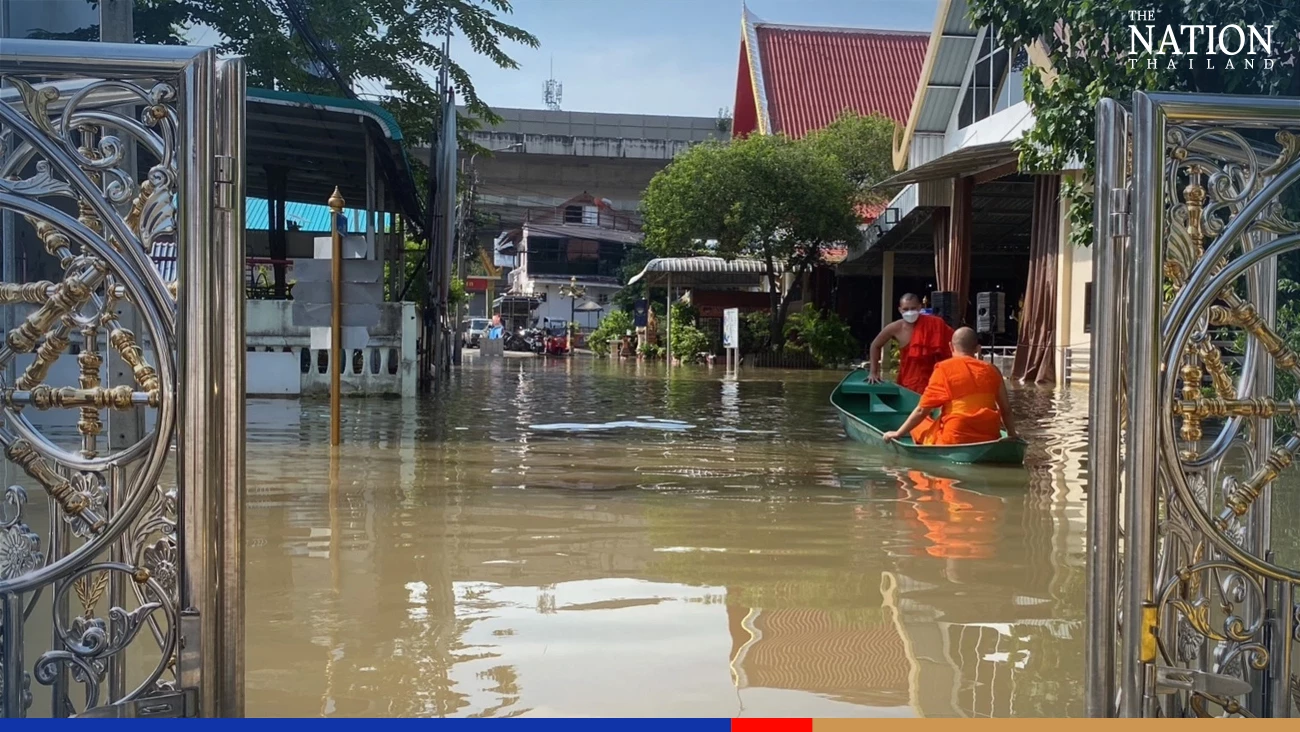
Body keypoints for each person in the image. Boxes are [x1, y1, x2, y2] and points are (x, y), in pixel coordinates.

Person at [883, 327, 1019, 446]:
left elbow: (921, 411)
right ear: (978, 349)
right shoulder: (993, 370)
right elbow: (1006, 410)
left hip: (957, 435)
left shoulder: (944, 369)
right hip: (990, 433)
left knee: (920, 426)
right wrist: (1012, 435)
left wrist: (898, 433)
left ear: (950, 347)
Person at [867, 293, 954, 393]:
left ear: (919, 307)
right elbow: (875, 345)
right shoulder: (895, 327)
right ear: (900, 310)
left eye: (913, 308)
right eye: (906, 309)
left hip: (935, 379)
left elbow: (956, 343)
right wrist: (873, 372)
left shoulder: (935, 324)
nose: (910, 312)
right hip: (910, 380)